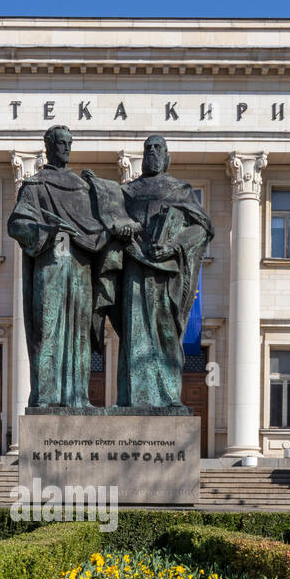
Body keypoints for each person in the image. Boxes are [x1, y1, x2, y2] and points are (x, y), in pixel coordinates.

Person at [7, 125, 134, 408]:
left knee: (79, 332)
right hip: (51, 266)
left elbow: (99, 225)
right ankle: (47, 397)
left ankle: (78, 397)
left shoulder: (84, 187)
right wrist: (47, 229)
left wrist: (115, 230)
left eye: (68, 143)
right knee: (48, 329)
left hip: (82, 267)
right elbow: (17, 224)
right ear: (48, 147)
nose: (65, 148)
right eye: (60, 143)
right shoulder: (35, 186)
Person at [116, 135, 214, 408]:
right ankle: (132, 399)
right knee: (133, 332)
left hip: (166, 273)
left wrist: (173, 246)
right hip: (134, 268)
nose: (153, 153)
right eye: (148, 149)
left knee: (165, 331)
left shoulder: (180, 190)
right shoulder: (128, 192)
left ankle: (167, 396)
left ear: (167, 156)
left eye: (159, 149)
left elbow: (202, 228)